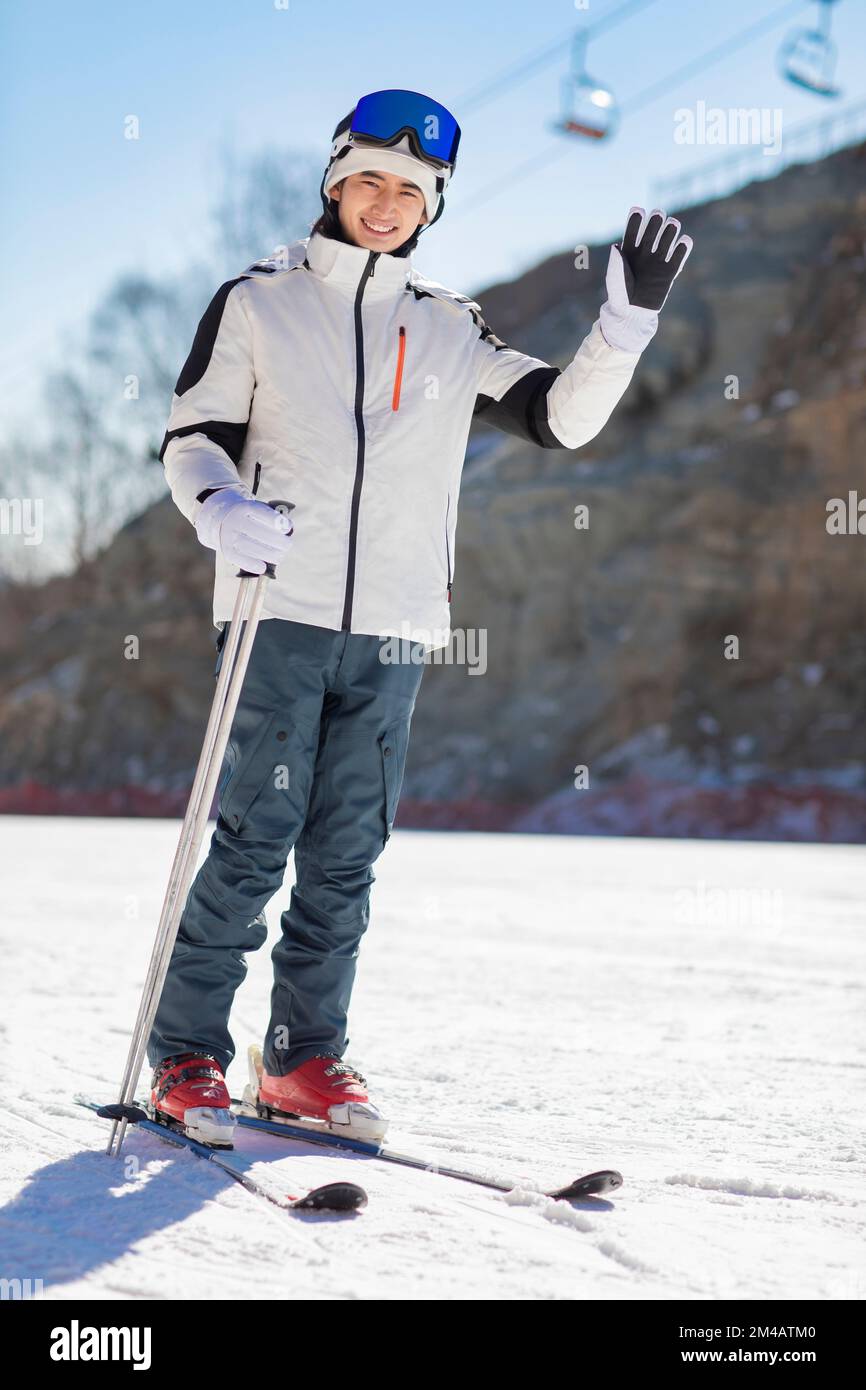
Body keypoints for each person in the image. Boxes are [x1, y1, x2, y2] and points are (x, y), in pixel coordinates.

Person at [146, 89, 693, 1146]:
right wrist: (217, 505)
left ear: (430, 202)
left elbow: (556, 420)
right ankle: (186, 1057)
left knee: (347, 849)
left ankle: (303, 1061)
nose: (385, 202)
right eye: (367, 180)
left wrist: (622, 326)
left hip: (396, 626)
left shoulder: (449, 324)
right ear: (332, 182)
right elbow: (191, 435)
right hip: (278, 610)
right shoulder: (258, 302)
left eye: (409, 188)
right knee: (255, 841)